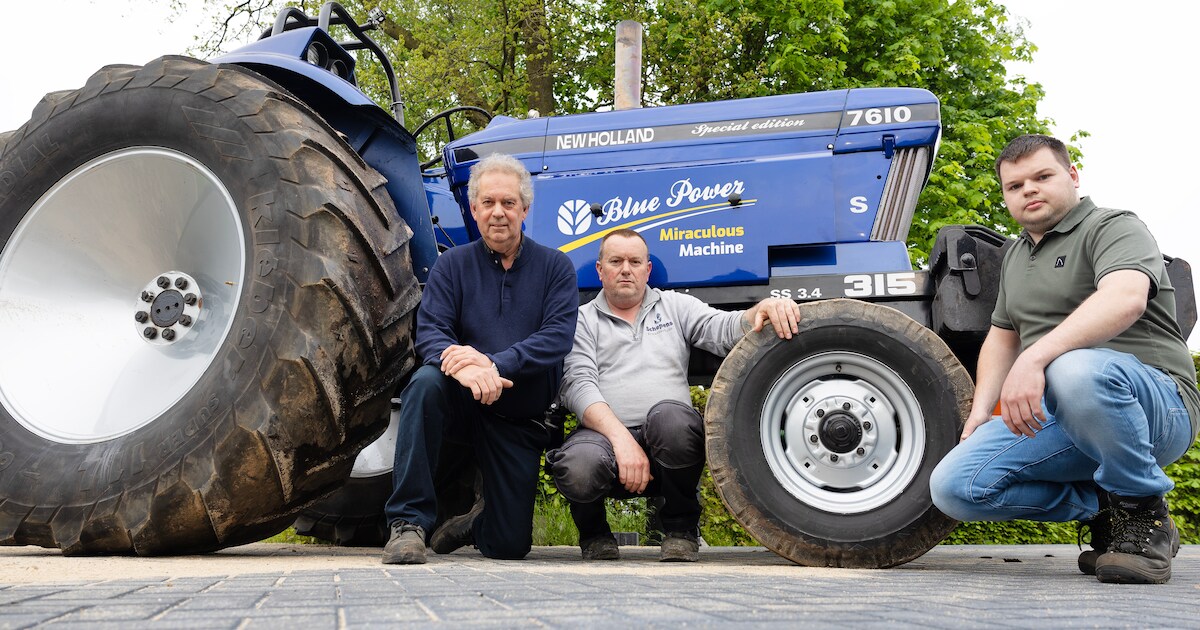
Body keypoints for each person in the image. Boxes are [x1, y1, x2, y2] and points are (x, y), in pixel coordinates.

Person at [930, 134, 1199, 584]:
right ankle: (1107, 511)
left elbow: (1126, 298)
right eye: (1015, 186)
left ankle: (1143, 513)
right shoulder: (1016, 254)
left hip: (1156, 405)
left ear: (1072, 176)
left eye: (1042, 176)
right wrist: (979, 412)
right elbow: (1002, 336)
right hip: (1064, 413)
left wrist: (1035, 359)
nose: (1029, 190)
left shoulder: (1113, 226)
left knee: (1072, 366)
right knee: (955, 487)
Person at [548, 228, 802, 562]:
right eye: (616, 261)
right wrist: (622, 441)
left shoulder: (676, 306)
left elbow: (724, 329)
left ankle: (680, 530)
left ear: (647, 270)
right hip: (603, 441)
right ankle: (594, 535)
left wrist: (761, 311)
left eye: (635, 261)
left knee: (674, 420)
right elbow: (578, 385)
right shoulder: (581, 320)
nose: (626, 269)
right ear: (600, 270)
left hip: (667, 442)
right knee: (578, 466)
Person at [381, 153, 578, 564]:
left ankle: (474, 523)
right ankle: (408, 523)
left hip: (517, 416)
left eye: (508, 203)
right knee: (424, 384)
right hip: (459, 405)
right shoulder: (451, 265)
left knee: (509, 546)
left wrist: (493, 365)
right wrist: (468, 369)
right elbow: (432, 332)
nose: (498, 213)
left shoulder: (556, 267)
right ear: (474, 209)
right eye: (488, 203)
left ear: (525, 209)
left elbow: (556, 338)